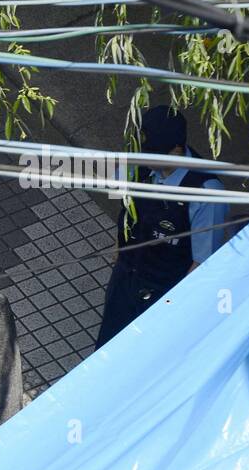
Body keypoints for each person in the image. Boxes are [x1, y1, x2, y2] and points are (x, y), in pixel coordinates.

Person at [95, 104, 230, 347]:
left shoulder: (205, 194)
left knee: (145, 353)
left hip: (163, 292)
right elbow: (126, 205)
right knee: (107, 345)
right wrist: (119, 251)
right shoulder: (142, 162)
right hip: (126, 275)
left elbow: (201, 263)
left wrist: (174, 308)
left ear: (176, 151)